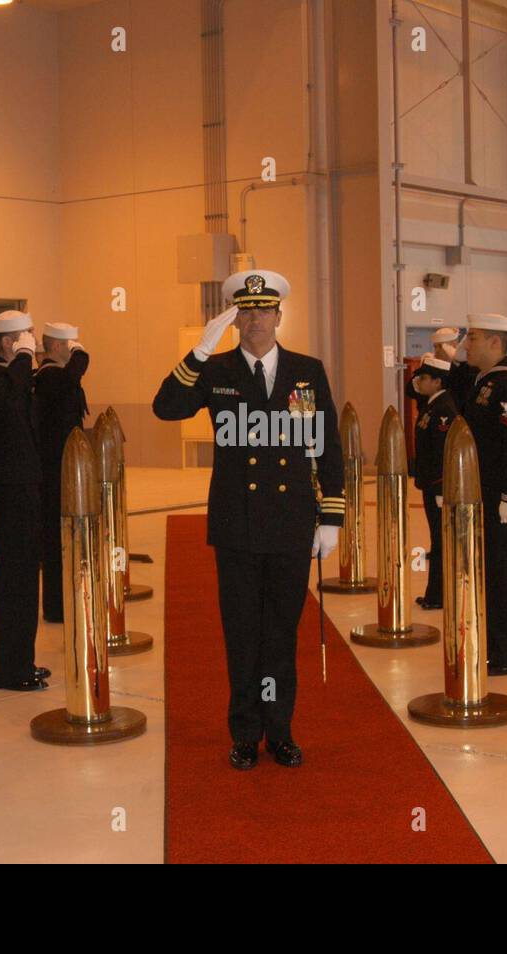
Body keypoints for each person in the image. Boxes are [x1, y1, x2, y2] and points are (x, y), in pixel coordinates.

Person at [152, 269, 344, 770]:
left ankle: (279, 730)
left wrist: (332, 517)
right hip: (237, 523)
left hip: (289, 523)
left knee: (281, 633)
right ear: (235, 318)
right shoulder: (216, 371)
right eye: (247, 310)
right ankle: (244, 732)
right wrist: (197, 351)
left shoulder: (307, 370)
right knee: (241, 633)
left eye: (265, 309)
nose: (257, 319)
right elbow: (165, 408)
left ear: (280, 315)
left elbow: (328, 446)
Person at [0, 310, 49, 691]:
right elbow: (8, 395)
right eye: (25, 337)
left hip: (24, 485)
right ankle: (7, 669)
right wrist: (23, 356)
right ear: (7, 342)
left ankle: (22, 659)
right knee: (14, 577)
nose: (32, 341)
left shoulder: (11, 377)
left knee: (23, 576)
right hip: (9, 489)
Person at [457, 314, 507, 675]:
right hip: (485, 492)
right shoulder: (483, 382)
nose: (465, 345)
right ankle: (499, 647)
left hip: (504, 495)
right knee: (493, 571)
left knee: (505, 570)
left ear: (494, 343)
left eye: (472, 338)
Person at [34, 322, 89, 623]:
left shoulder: (56, 376)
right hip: (53, 469)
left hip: (62, 467)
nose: (74, 349)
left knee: (64, 538)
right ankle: (56, 606)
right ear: (57, 347)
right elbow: (77, 369)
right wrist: (80, 352)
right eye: (70, 344)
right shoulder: (49, 376)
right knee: (55, 541)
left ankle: (63, 602)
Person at [411, 355, 457, 611]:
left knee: (441, 541)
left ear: (438, 382)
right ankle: (434, 592)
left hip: (437, 486)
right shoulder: (430, 405)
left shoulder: (444, 410)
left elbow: (443, 452)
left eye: (425, 378)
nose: (420, 382)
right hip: (429, 484)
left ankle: (438, 594)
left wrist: (441, 487)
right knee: (436, 539)